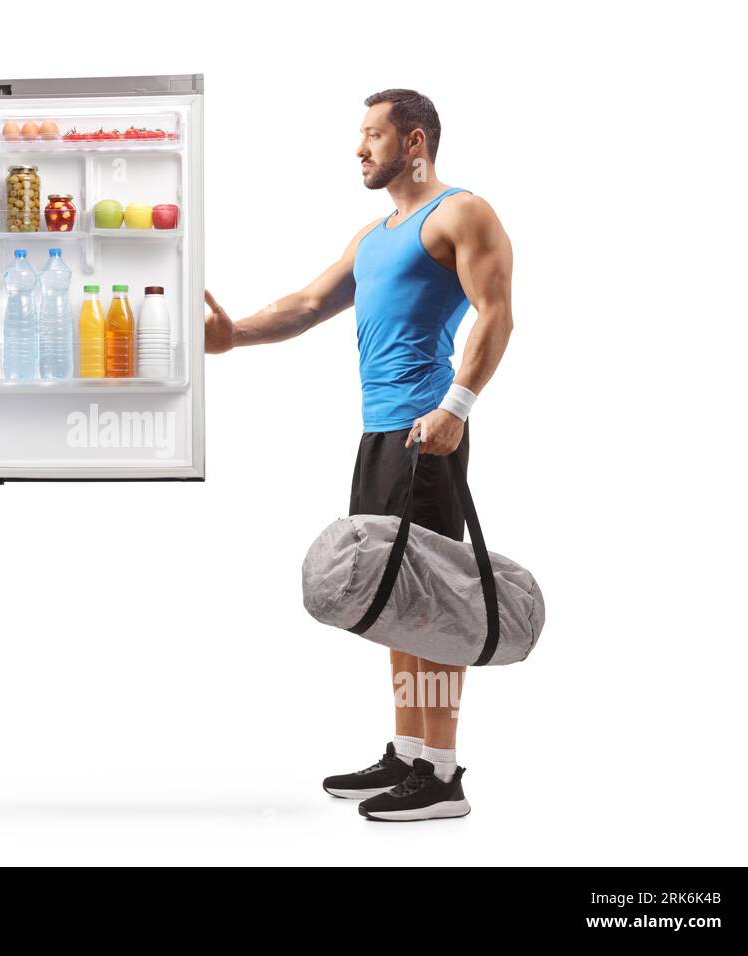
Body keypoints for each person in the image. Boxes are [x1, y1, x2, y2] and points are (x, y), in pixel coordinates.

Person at [204, 89, 514, 821]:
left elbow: (498, 312)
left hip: (426, 434)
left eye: (372, 135)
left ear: (413, 142)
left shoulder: (461, 213)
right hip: (379, 437)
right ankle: (410, 751)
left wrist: (456, 409)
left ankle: (442, 774)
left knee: (433, 602)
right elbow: (306, 304)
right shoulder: (373, 235)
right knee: (395, 598)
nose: (359, 149)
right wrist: (234, 335)